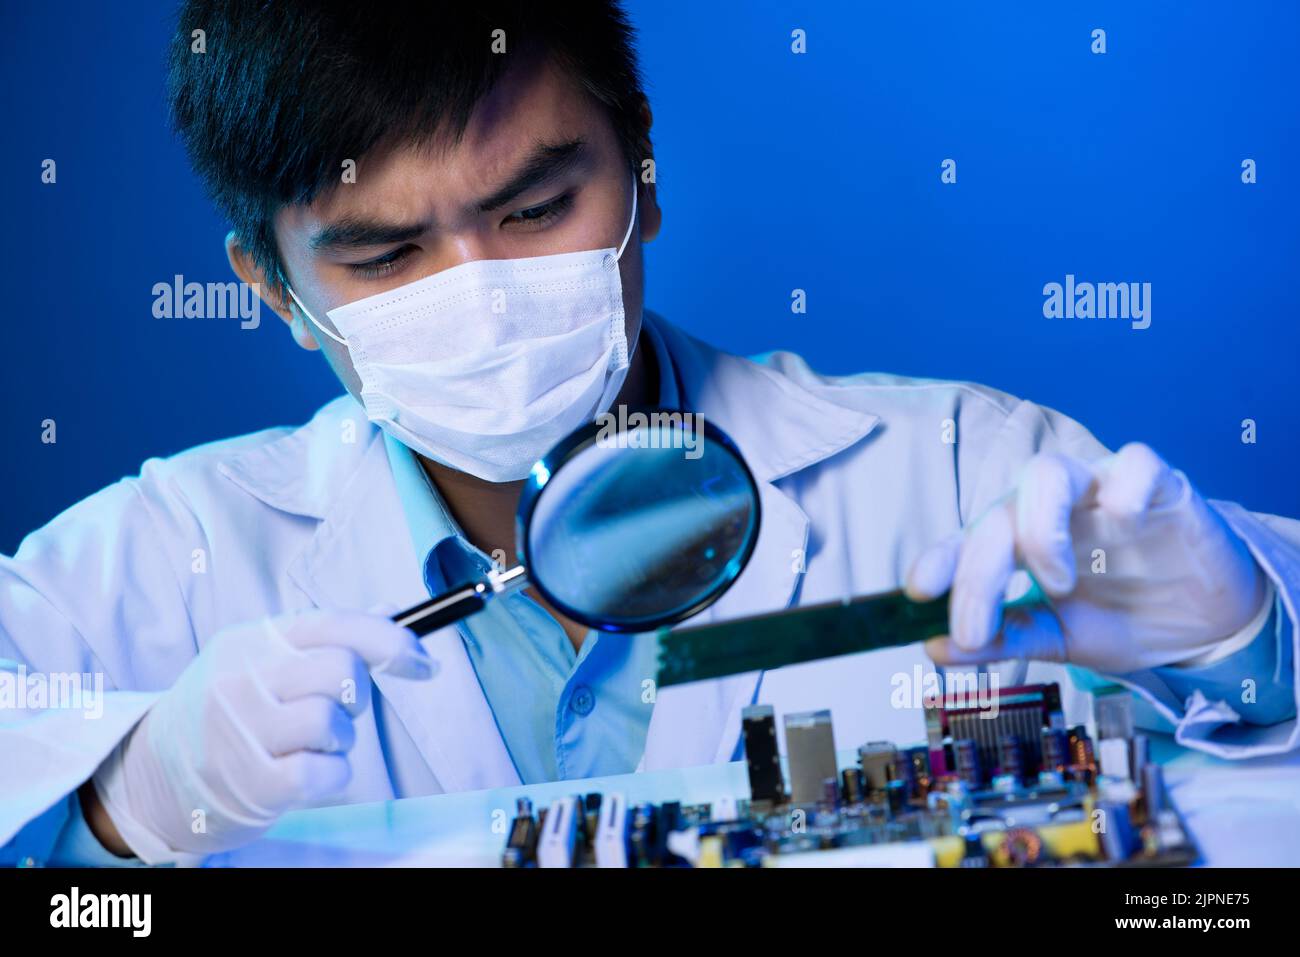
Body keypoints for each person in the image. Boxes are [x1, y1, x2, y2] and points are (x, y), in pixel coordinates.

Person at [2, 1, 1295, 866]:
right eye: (389, 254)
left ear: (645, 173)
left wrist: (1254, 650)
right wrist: (119, 814)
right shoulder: (148, 561)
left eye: (535, 208)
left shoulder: (960, 474)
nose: (480, 290)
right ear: (274, 293)